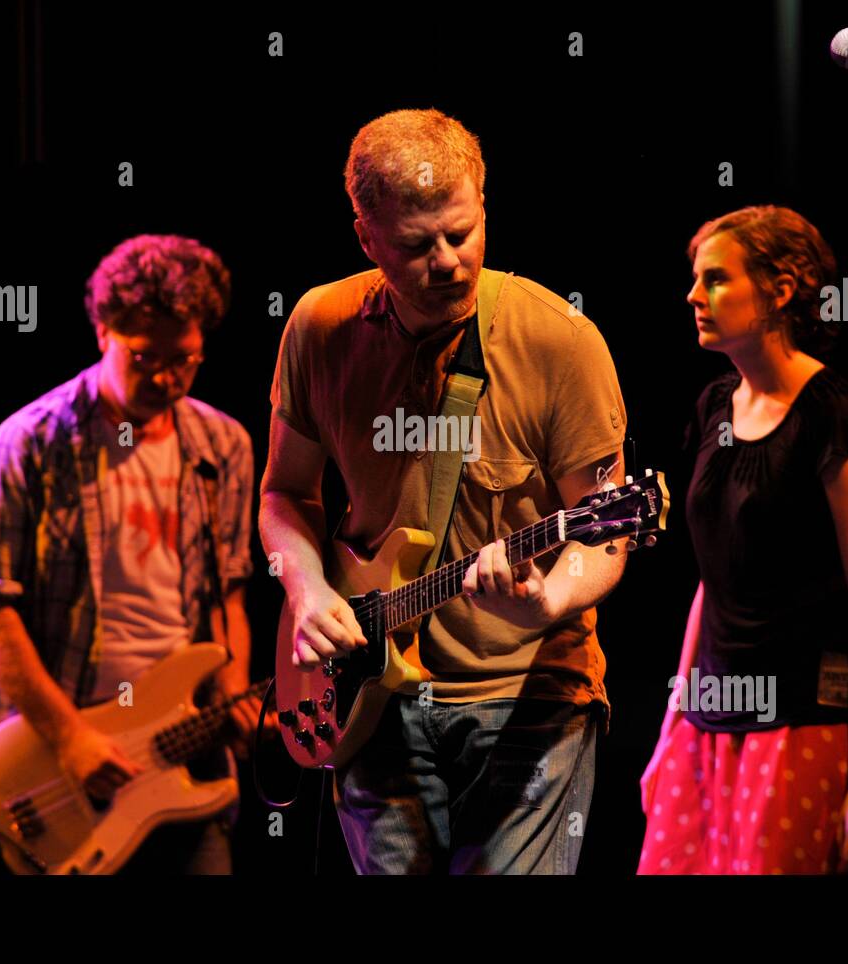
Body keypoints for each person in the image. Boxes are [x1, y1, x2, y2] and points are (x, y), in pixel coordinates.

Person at [260, 108, 631, 874]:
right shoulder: (319, 325)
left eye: (462, 233)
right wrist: (305, 586)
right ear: (366, 239)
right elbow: (285, 495)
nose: (449, 263)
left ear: (483, 205)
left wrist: (549, 601)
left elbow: (606, 529)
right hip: (370, 704)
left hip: (530, 700)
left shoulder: (560, 338)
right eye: (415, 245)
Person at [0, 234, 265, 874]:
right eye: (144, 355)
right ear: (102, 331)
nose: (164, 378)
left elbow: (230, 591)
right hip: (64, 765)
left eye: (185, 360)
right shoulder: (26, 446)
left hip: (186, 757)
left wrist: (235, 693)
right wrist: (70, 738)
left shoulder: (224, 444)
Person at [638, 206, 848, 874]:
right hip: (704, 730)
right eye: (697, 280)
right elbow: (714, 582)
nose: (694, 296)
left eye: (717, 280)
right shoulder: (713, 406)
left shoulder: (828, 413)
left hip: (797, 729)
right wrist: (674, 723)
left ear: (780, 290)